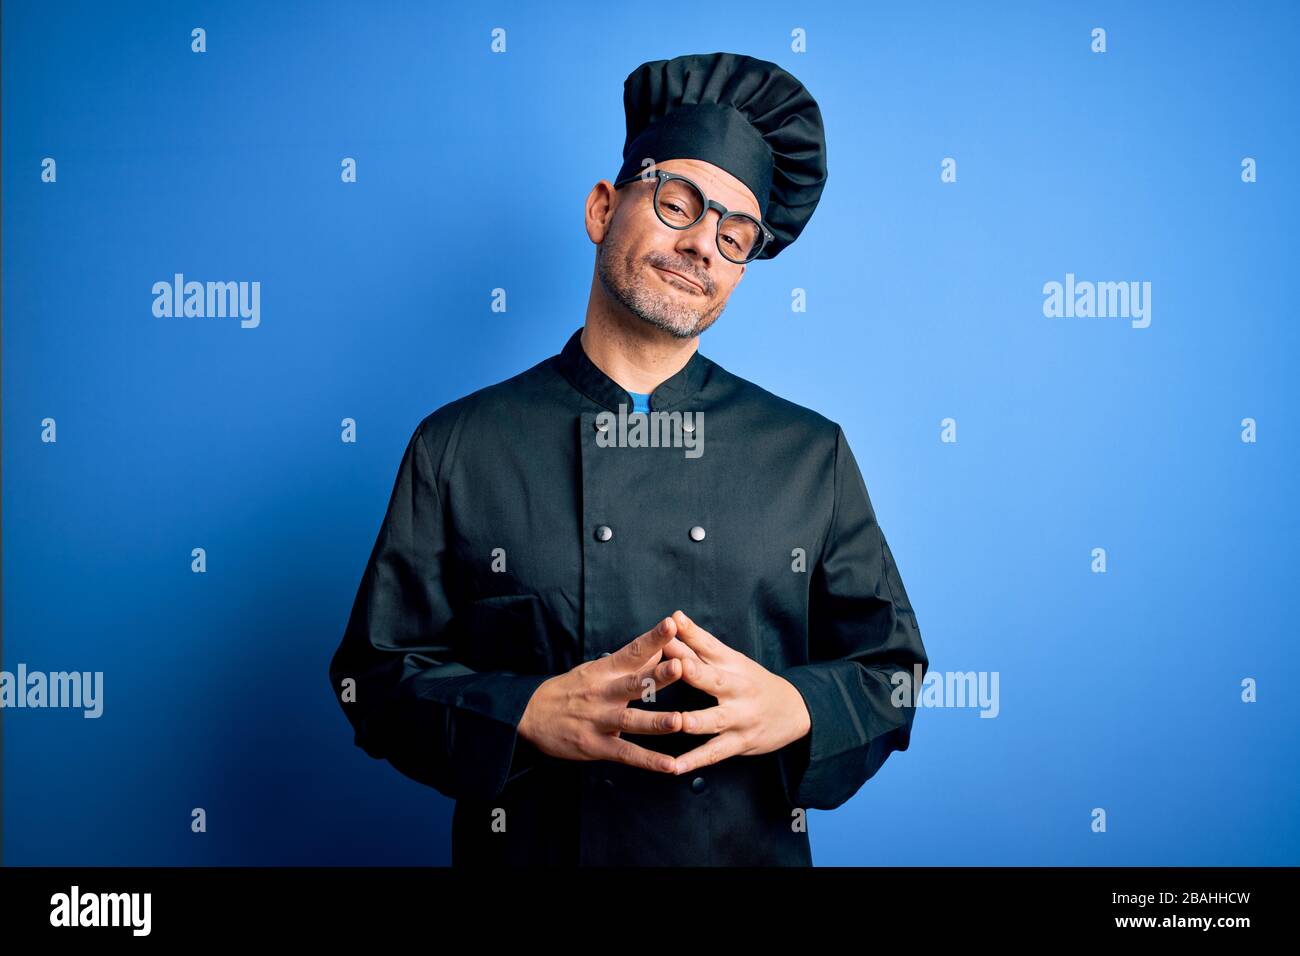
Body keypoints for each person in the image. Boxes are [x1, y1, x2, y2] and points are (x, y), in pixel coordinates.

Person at [329, 51, 929, 866]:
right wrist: (525, 712)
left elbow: (891, 673)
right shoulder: (459, 444)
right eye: (679, 202)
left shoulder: (808, 453)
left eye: (735, 234)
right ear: (603, 207)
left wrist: (796, 706)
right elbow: (373, 676)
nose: (703, 247)